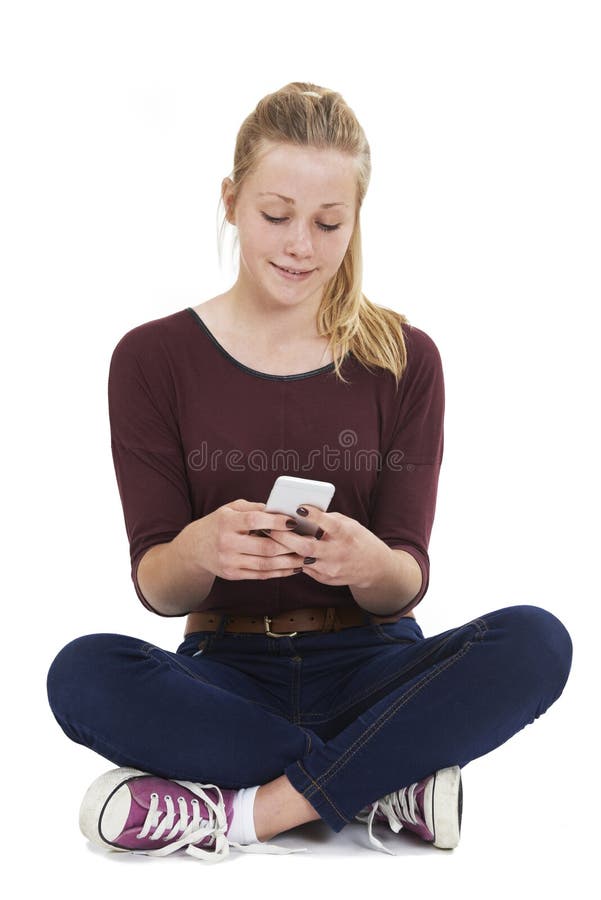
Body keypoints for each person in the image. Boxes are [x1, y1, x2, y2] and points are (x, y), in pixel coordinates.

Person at [46, 81, 573, 864]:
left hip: (375, 663)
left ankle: (246, 814)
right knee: (81, 673)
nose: (300, 244)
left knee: (537, 640)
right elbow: (157, 586)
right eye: (275, 215)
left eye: (329, 223)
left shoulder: (403, 357)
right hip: (227, 676)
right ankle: (385, 775)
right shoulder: (151, 359)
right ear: (230, 201)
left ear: (356, 218)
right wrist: (199, 550)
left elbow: (406, 578)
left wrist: (369, 566)